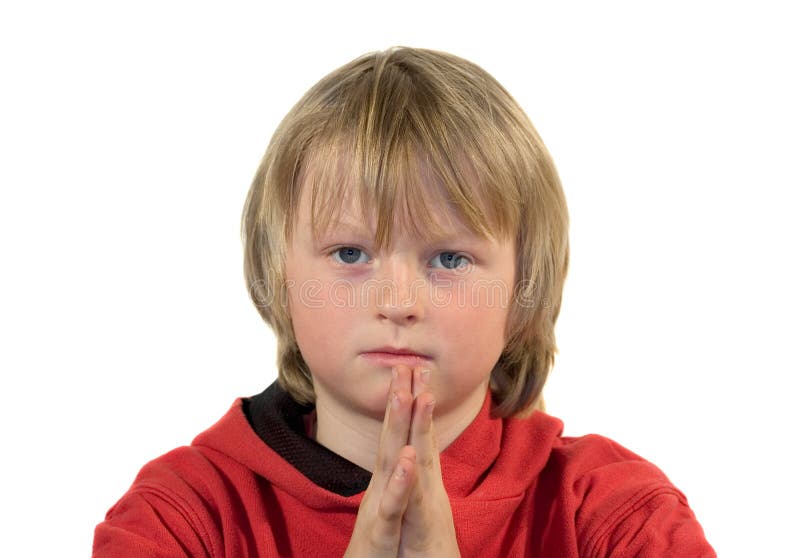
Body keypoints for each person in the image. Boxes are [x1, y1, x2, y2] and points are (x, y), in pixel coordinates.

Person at [93, 47, 715, 557]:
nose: (397, 302)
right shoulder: (180, 518)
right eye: (350, 253)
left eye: (449, 259)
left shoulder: (615, 517)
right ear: (277, 274)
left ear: (525, 292)